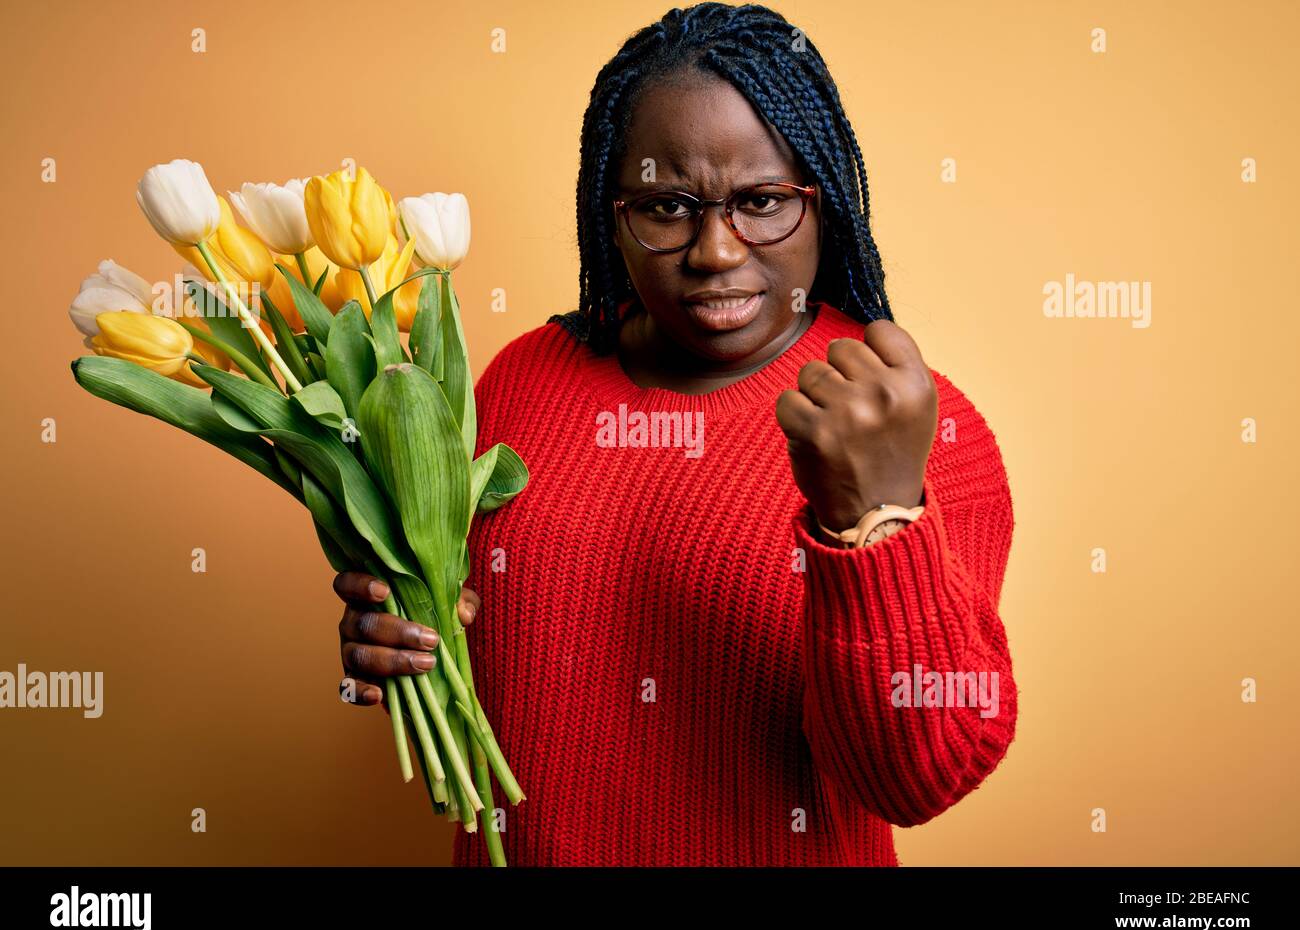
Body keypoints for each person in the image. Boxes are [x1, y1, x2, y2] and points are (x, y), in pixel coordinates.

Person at [333, 1, 1018, 866]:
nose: (716, 251)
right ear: (609, 211)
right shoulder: (519, 378)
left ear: (824, 201)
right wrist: (396, 642)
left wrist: (874, 515)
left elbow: (918, 780)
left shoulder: (918, 426)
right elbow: (485, 651)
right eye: (666, 207)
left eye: (763, 201)